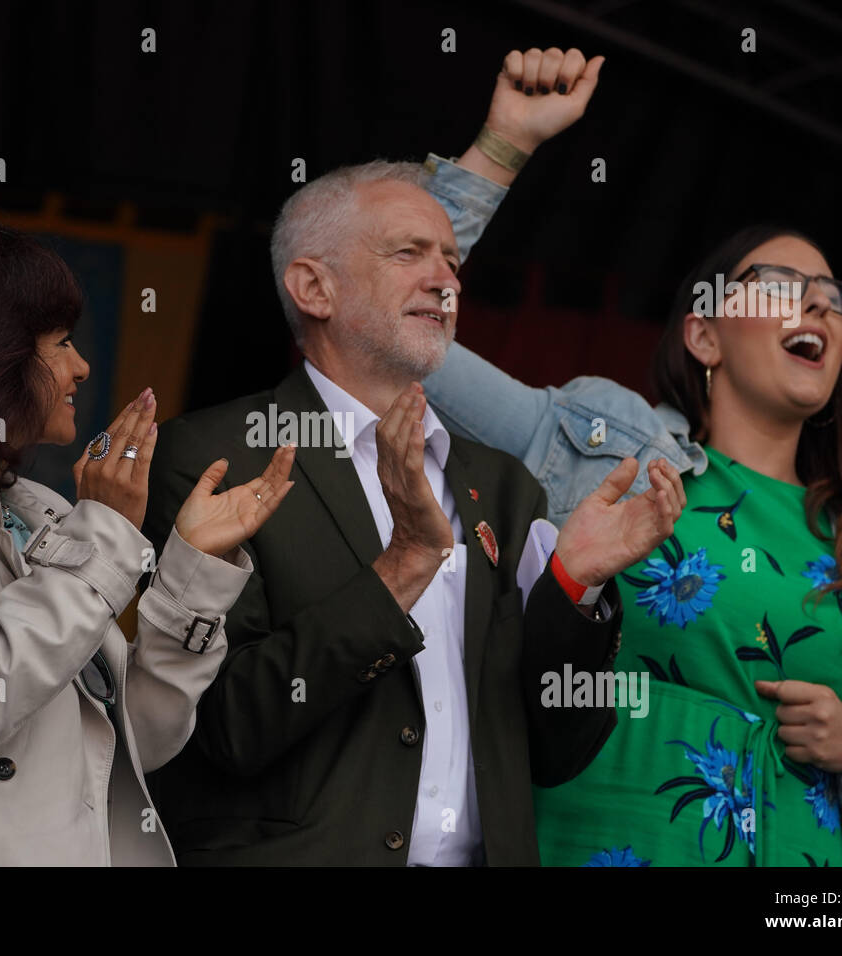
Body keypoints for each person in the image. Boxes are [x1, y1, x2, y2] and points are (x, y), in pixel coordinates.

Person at [140, 49, 694, 866]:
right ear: (313, 289)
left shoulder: (501, 485)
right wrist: (401, 566)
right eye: (410, 255)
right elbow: (221, 725)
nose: (446, 280)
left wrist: (574, 593)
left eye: (454, 262)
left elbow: (554, 753)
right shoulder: (216, 456)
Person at [420, 156, 842, 861]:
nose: (818, 304)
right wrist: (500, 149)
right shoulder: (605, 445)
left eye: (832, 296)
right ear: (704, 335)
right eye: (782, 285)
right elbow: (405, 340)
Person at [0, 221, 296, 865]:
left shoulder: (40, 511)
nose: (82, 366)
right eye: (61, 343)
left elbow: (134, 740)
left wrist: (193, 572)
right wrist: (107, 530)